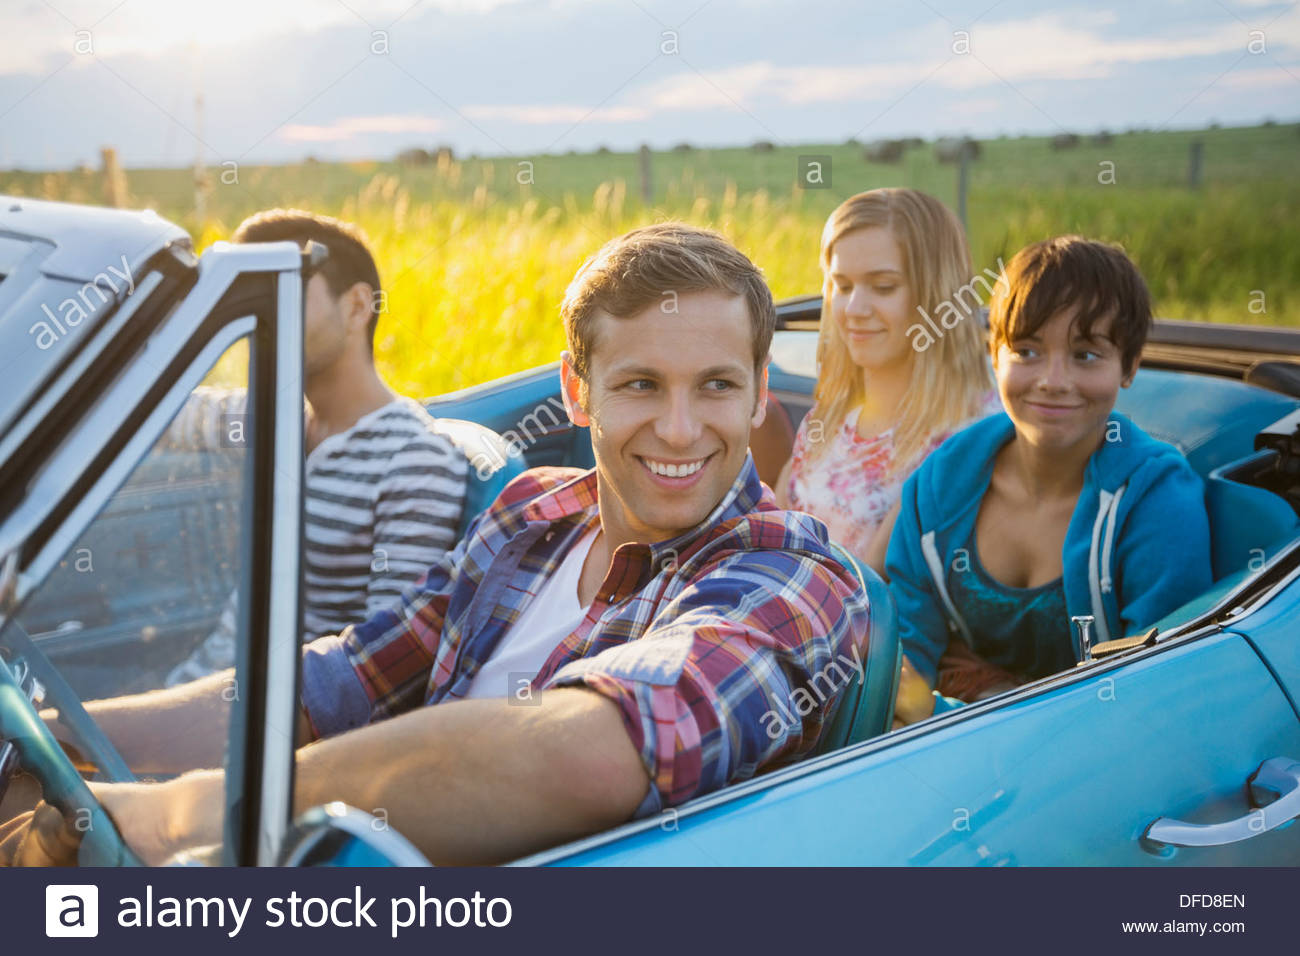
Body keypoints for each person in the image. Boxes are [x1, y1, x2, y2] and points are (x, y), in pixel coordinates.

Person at [3, 223, 869, 867]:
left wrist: (190, 814)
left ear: (761, 394)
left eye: (716, 387)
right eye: (640, 384)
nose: (678, 430)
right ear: (577, 390)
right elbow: (334, 682)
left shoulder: (793, 573)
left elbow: (595, 752)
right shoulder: (529, 518)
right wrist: (51, 740)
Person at [887, 236, 1213, 723]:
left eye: (1085, 355)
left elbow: (1155, 693)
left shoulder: (1157, 501)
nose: (1053, 380)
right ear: (994, 354)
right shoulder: (938, 486)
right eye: (1027, 350)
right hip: (945, 748)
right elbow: (904, 657)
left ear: (1129, 366)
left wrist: (976, 698)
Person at [163, 209, 470, 684]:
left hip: (257, 724)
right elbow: (152, 415)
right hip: (192, 684)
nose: (260, 320)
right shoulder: (269, 417)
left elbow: (381, 661)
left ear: (355, 307)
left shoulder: (413, 458)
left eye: (284, 296)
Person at [774, 188, 997, 574]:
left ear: (936, 293)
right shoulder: (827, 420)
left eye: (883, 287)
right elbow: (767, 541)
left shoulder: (971, 434)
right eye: (842, 286)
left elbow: (872, 586)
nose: (855, 309)